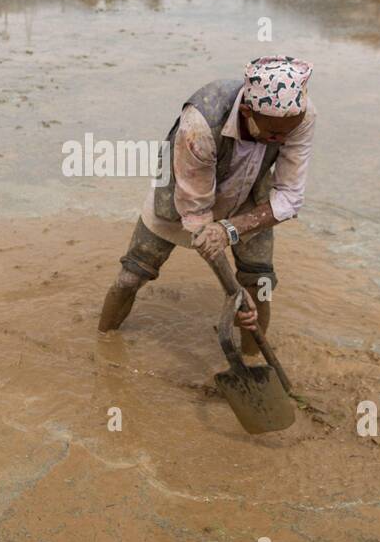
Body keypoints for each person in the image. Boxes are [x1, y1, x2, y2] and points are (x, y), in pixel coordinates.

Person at [97, 56, 317, 361]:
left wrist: (231, 230)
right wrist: (230, 289)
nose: (279, 141)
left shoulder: (299, 117)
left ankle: (254, 364)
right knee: (131, 275)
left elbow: (290, 196)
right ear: (246, 112)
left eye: (285, 135)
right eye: (272, 134)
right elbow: (197, 217)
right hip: (182, 201)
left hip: (249, 201)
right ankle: (102, 346)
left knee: (259, 285)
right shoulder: (200, 123)